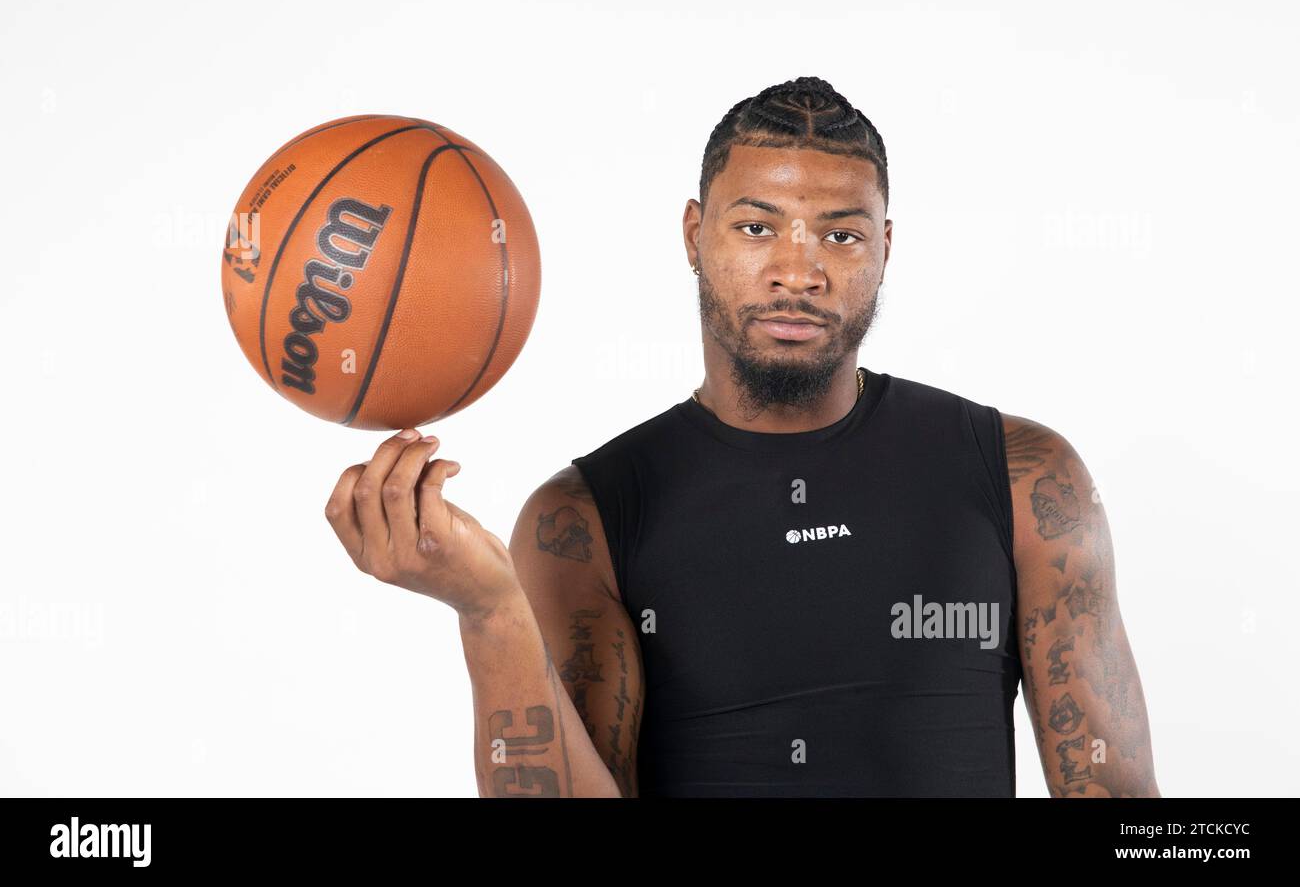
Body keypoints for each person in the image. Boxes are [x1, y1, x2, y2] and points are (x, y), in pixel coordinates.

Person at [324, 76, 1159, 797]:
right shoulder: (585, 522)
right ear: (695, 236)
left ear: (886, 248)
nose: (799, 271)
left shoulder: (1022, 479)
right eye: (757, 227)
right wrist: (488, 609)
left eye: (842, 233)